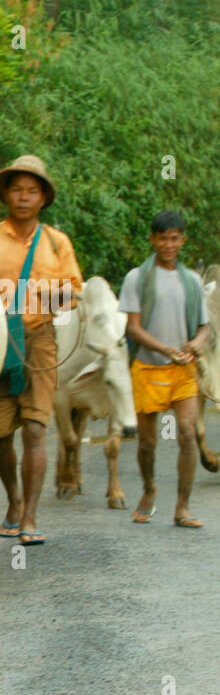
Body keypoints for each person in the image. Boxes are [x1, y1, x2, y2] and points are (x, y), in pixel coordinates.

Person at [0, 154, 83, 546]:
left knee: (35, 429)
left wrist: (45, 292)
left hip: (39, 343)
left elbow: (74, 294)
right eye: (17, 189)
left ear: (43, 198)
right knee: (0, 434)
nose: (23, 197)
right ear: (6, 194)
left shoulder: (56, 243)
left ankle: (30, 517)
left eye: (31, 191)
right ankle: (14, 500)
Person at [119, 210, 210, 528]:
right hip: (147, 367)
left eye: (174, 238)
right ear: (152, 239)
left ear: (182, 240)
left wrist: (196, 344)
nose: (168, 244)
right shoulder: (137, 278)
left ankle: (182, 507)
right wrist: (164, 349)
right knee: (147, 443)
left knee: (187, 433)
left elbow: (204, 326)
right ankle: (149, 490)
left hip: (182, 371)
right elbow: (133, 328)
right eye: (162, 238)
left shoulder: (192, 281)